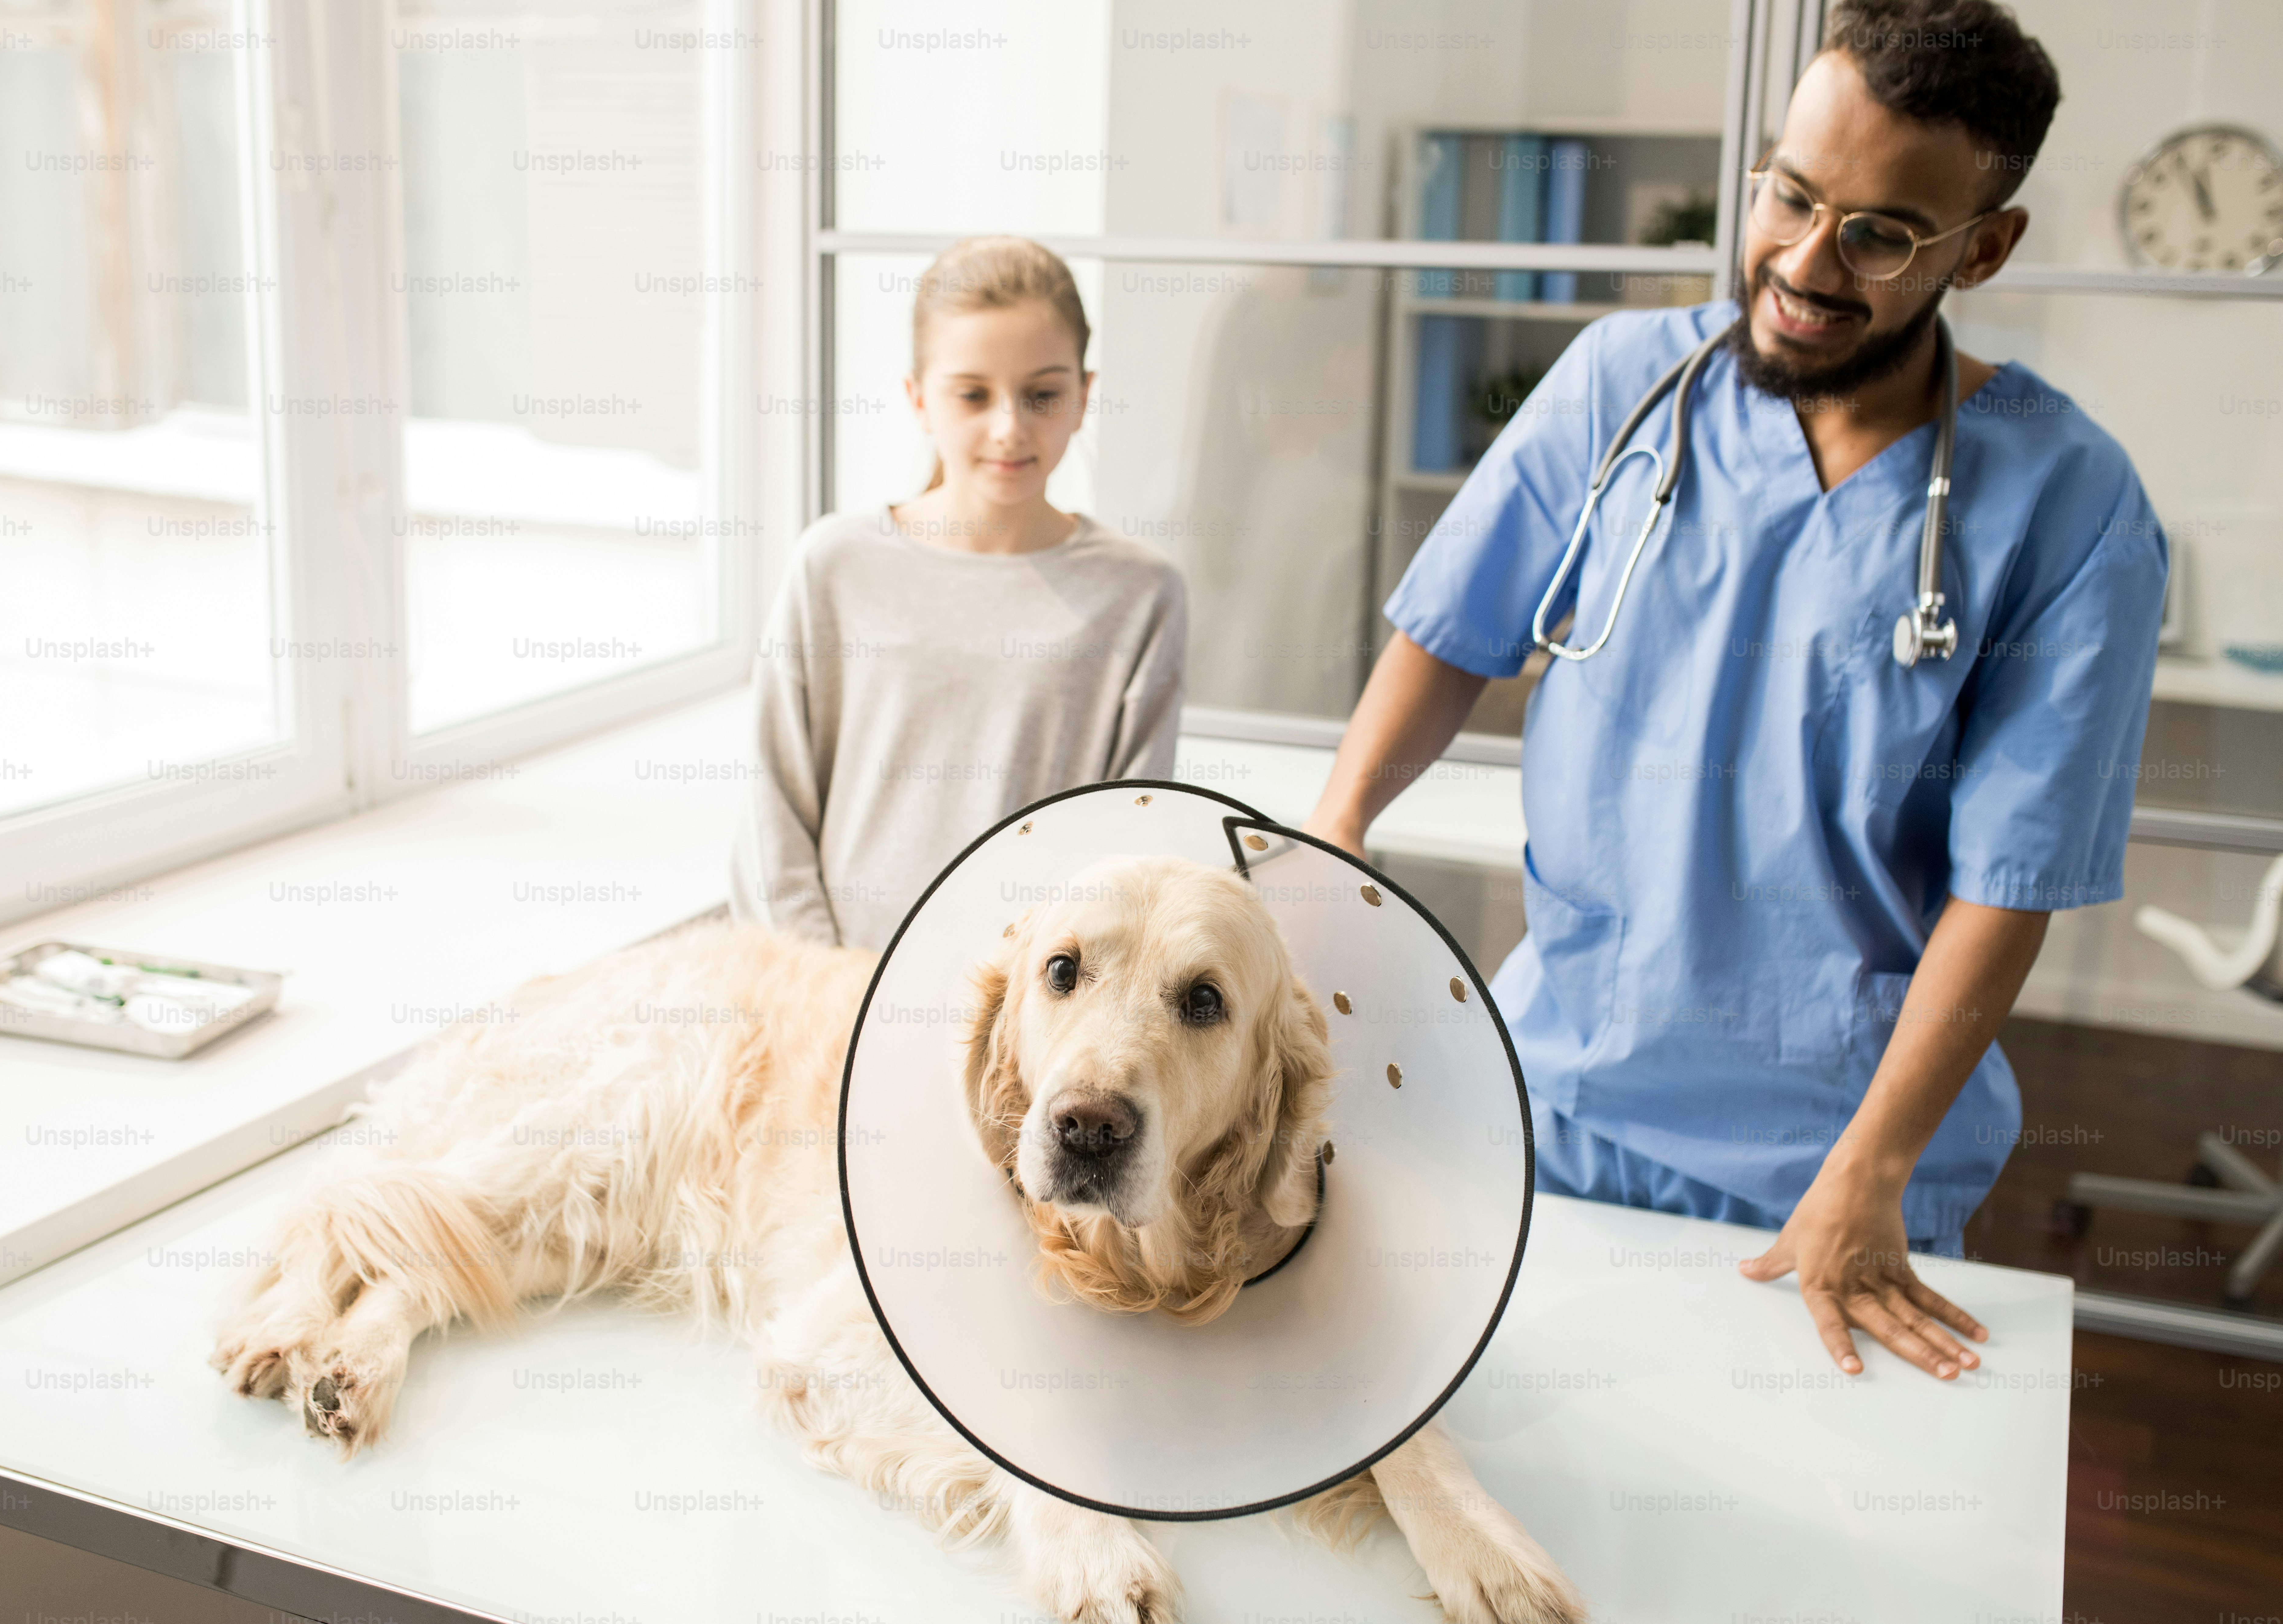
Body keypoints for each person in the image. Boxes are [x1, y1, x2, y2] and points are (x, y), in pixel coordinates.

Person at [1305, 0, 2165, 1382]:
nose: (1806, 262)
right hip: (1561, 1088)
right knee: (1527, 1482)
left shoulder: (2068, 502)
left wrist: (1869, 1170)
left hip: (1837, 1155)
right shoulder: (1622, 385)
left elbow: (2007, 881)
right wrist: (1333, 833)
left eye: (1880, 232)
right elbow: (1451, 629)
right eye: (1790, 195)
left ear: (1983, 247)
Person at [731, 237, 1188, 955]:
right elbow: (772, 807)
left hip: (1027, 1023)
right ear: (918, 398)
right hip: (830, 1002)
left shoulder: (1140, 594)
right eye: (973, 394)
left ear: (1083, 397)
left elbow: (1127, 849)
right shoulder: (835, 565)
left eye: (1042, 394)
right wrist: (824, 988)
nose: (1010, 426)